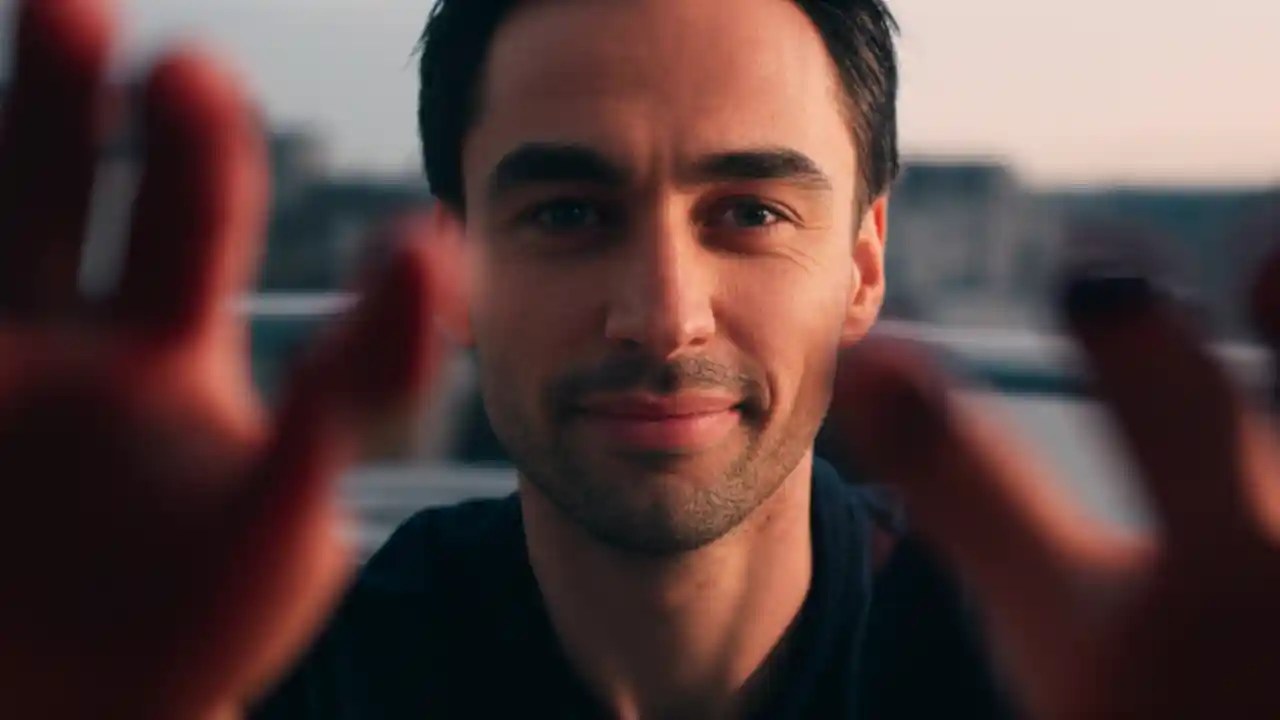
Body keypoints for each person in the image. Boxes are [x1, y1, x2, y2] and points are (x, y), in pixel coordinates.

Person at [1, 0, 1278, 718]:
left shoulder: (1052, 680)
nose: (661, 317)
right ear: (457, 271)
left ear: (865, 263)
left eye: (749, 213)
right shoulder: (258, 670)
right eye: (567, 212)